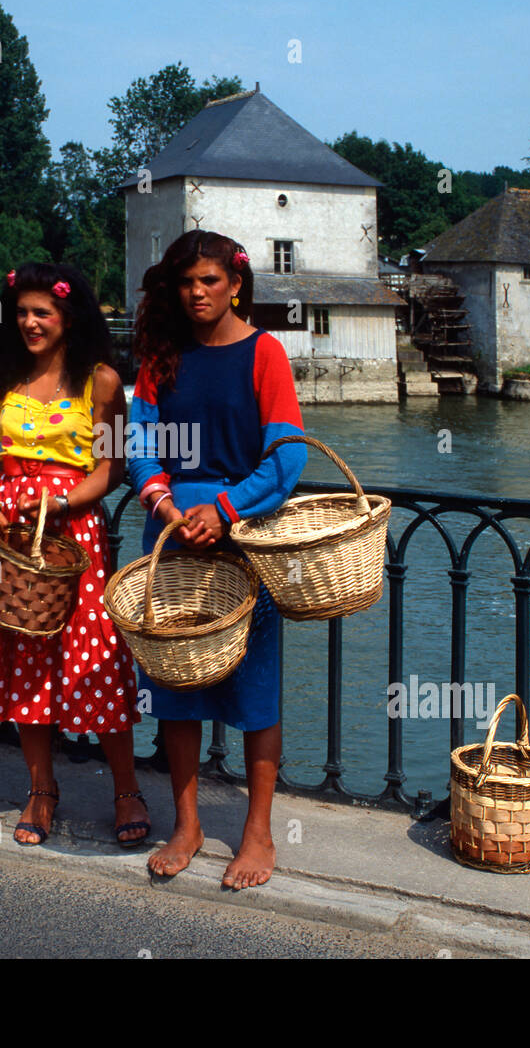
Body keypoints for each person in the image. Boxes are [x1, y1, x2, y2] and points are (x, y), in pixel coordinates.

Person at [128, 229, 307, 889]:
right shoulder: (160, 356)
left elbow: (288, 458)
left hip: (244, 539)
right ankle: (188, 823)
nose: (198, 293)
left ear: (236, 283)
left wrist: (225, 510)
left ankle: (258, 832)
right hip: (171, 538)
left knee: (255, 686)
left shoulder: (265, 353)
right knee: (176, 681)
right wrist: (167, 505)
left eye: (210, 281)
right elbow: (140, 443)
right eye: (186, 282)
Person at [0, 263, 150, 847]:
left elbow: (110, 469)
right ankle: (41, 790)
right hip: (8, 532)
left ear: (70, 317)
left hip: (72, 530)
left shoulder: (103, 383)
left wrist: (59, 499)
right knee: (22, 651)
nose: (30, 322)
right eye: (21, 312)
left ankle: (127, 789)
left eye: (42, 312)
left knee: (94, 657)